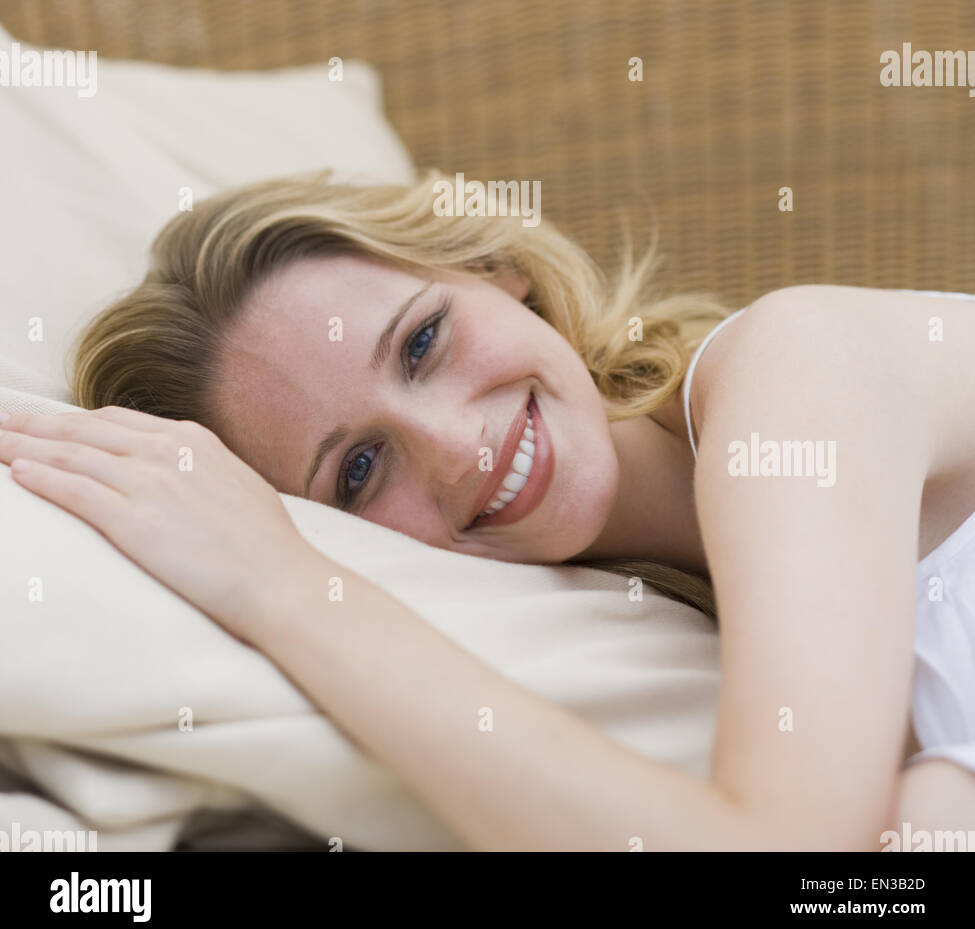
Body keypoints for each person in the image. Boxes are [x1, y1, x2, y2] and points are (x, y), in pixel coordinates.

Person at [1, 167, 973, 851]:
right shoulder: (683, 607)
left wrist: (286, 589)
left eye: (422, 342)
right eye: (361, 470)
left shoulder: (793, 369)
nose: (463, 447)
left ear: (495, 269)